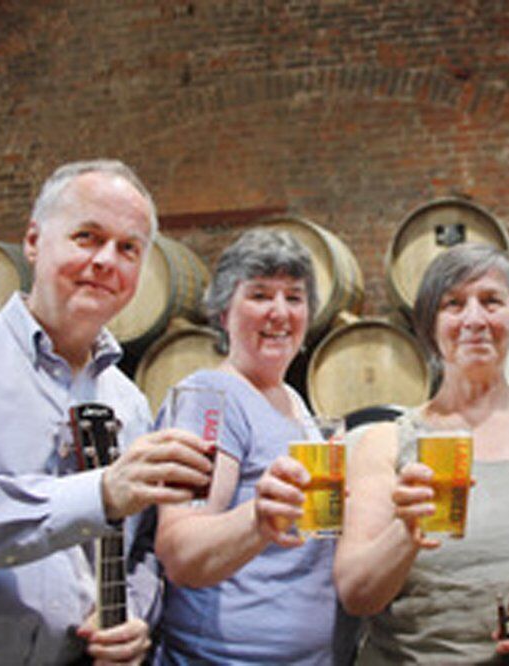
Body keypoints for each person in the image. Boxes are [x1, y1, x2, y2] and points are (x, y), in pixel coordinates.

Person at [0, 159, 215, 664]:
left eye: (128, 248)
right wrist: (99, 493)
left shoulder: (127, 400)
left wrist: (132, 612)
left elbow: (140, 547)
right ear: (34, 241)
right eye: (87, 236)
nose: (108, 260)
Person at [334, 243, 509, 665]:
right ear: (430, 325)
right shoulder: (386, 441)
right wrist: (406, 530)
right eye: (453, 305)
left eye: (492, 301)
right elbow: (357, 595)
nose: (474, 319)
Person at [151, 228, 340, 664]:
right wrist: (258, 517)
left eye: (294, 297)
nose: (279, 312)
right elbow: (181, 548)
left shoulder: (293, 401)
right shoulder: (209, 398)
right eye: (259, 295)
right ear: (222, 312)